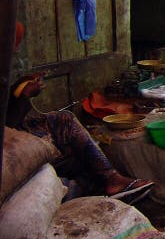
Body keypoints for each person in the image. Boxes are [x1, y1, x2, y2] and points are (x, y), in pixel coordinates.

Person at [7, 24, 154, 203]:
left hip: (15, 126)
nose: (13, 52)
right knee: (48, 162)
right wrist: (24, 96)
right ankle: (83, 192)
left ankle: (112, 178)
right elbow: (8, 126)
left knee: (65, 119)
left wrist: (18, 87)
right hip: (9, 140)